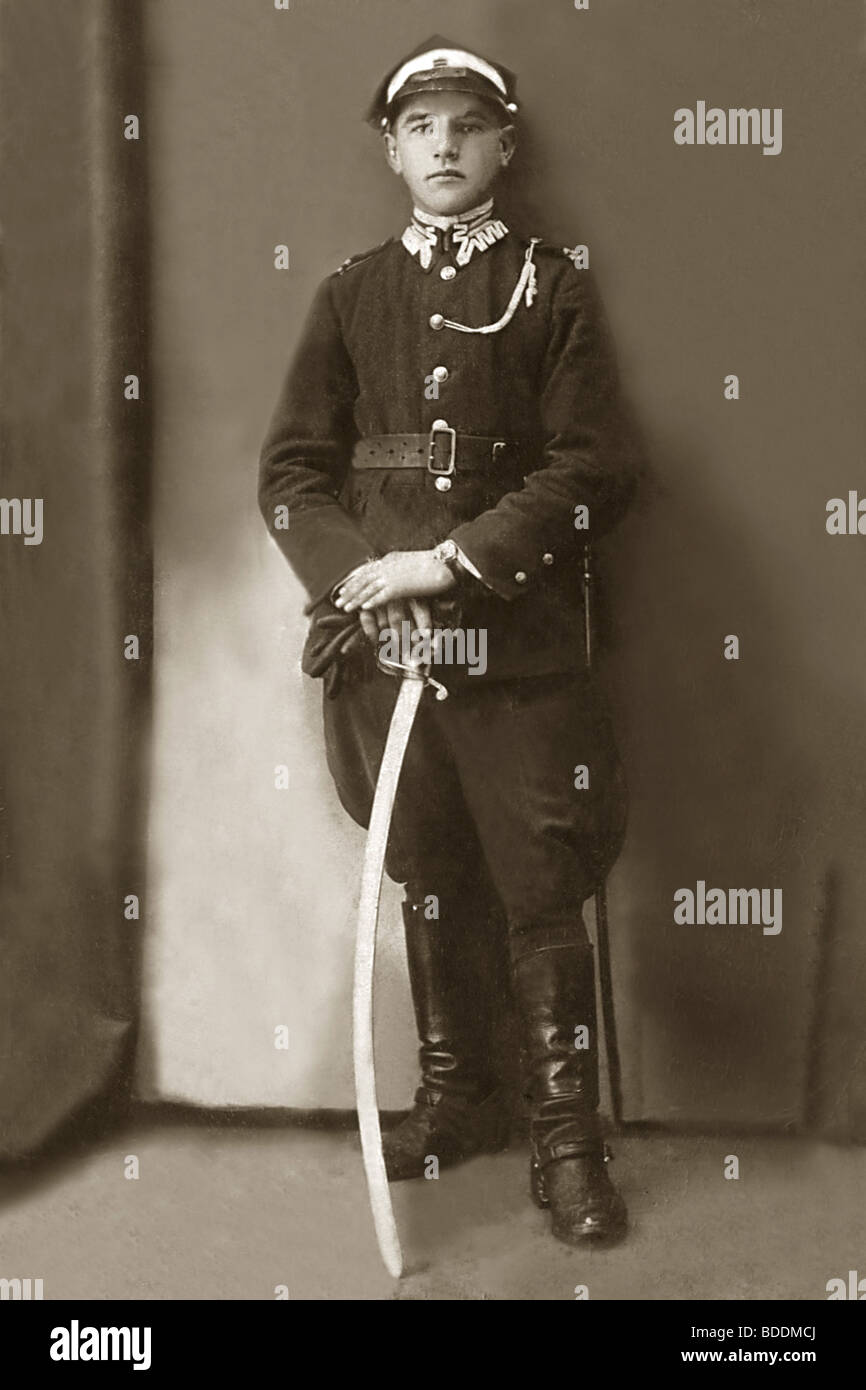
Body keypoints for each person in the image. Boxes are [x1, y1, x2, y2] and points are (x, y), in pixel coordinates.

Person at [259, 35, 639, 1244]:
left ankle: (565, 1143)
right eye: (420, 126)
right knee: (426, 868)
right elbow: (291, 476)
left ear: (502, 146)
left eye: (466, 125)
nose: (443, 145)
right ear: (390, 149)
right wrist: (362, 582)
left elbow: (596, 467)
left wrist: (452, 562)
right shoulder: (349, 293)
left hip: (517, 646)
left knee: (539, 886)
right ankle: (454, 1100)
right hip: (390, 652)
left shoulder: (548, 286)